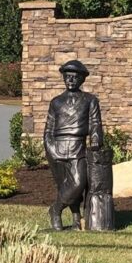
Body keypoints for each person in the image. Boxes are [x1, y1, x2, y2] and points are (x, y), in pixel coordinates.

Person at [43, 59, 103, 230]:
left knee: (77, 183)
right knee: (64, 185)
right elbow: (48, 129)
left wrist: (96, 138)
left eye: (75, 77)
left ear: (82, 79)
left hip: (78, 147)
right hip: (57, 147)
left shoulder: (90, 100)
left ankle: (56, 209)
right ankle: (76, 220)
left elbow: (95, 123)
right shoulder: (56, 102)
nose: (70, 80)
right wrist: (50, 148)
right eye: (67, 76)